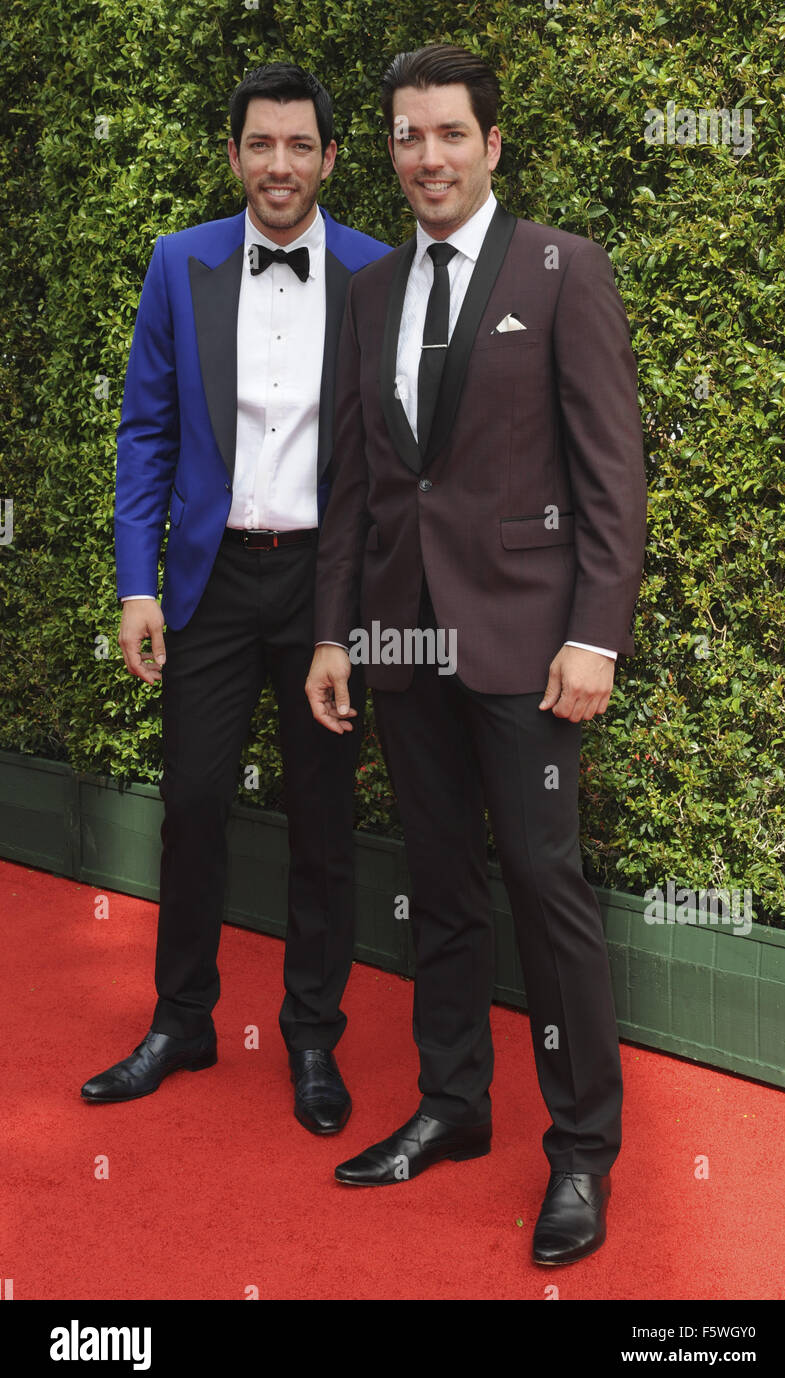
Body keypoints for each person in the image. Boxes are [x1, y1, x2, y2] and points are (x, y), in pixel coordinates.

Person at [305, 44, 646, 1262]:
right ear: (389, 151)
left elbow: (612, 474)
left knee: (547, 897)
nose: (427, 156)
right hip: (402, 640)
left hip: (527, 645)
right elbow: (356, 484)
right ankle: (450, 1102)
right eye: (406, 135)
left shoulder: (564, 270)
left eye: (448, 133)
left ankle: (581, 1151)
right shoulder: (370, 291)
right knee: (440, 889)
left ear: (491, 145)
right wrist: (337, 632)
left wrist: (593, 632)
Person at [81, 63, 388, 1135]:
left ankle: (311, 1035)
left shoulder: (375, 272)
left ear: (328, 160)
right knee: (196, 804)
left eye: (299, 146)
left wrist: (359, 609)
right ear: (233, 156)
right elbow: (145, 433)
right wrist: (135, 585)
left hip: (323, 588)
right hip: (210, 582)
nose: (279, 165)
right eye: (260, 145)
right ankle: (182, 1019)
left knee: (321, 820)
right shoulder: (179, 264)